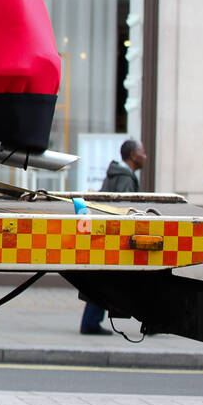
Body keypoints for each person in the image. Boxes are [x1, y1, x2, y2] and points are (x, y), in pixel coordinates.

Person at [80, 138, 147, 334]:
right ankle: (91, 323)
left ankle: (90, 322)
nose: (145, 155)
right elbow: (127, 212)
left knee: (103, 282)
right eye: (142, 152)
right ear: (133, 155)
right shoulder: (125, 178)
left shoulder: (115, 174)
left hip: (106, 236)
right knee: (110, 282)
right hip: (117, 240)